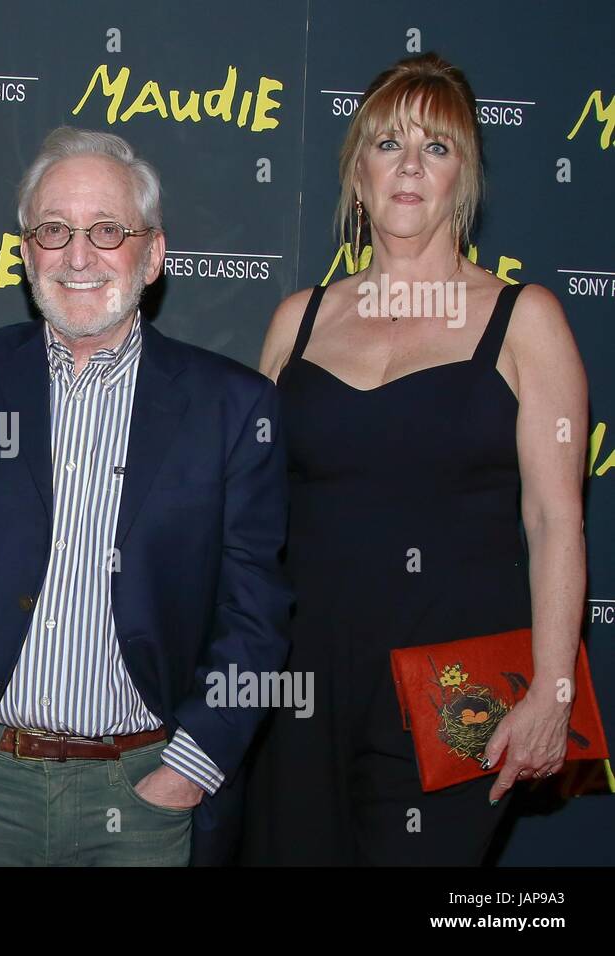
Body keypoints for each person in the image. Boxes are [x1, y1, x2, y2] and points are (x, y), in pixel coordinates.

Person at [0, 126, 292, 866]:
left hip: (143, 796)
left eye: (107, 230)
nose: (78, 254)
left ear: (153, 254)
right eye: (54, 229)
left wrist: (187, 770)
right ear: (26, 250)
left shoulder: (233, 409)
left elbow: (255, 611)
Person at [243, 52, 587, 866]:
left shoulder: (524, 318)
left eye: (435, 147)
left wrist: (553, 687)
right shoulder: (301, 318)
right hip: (299, 682)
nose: (408, 165)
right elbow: (247, 507)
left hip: (456, 689)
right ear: (357, 173)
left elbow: (555, 519)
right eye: (387, 143)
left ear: (461, 178)